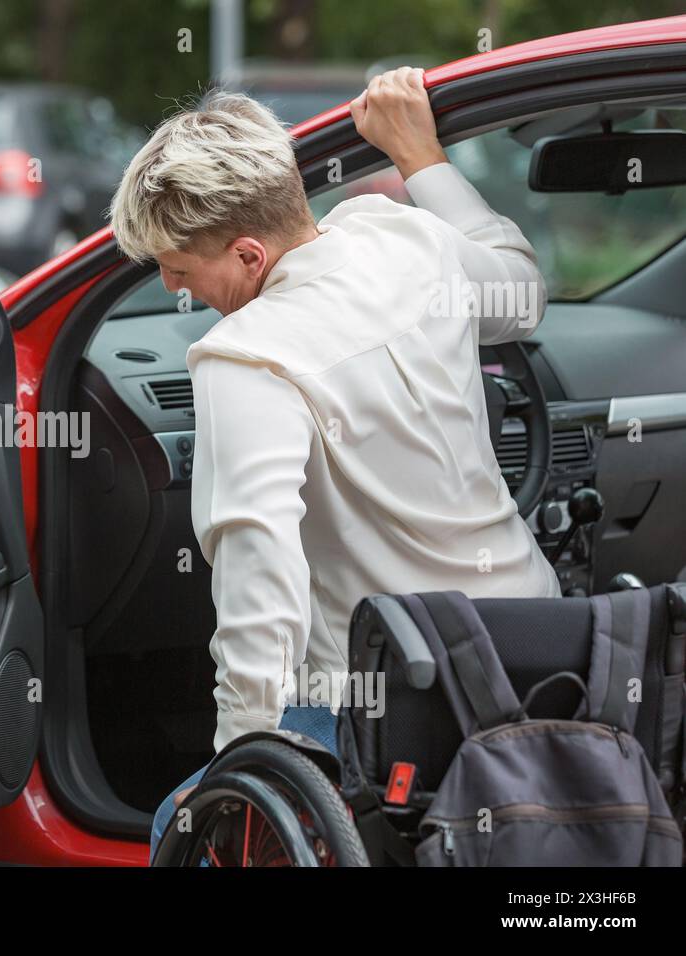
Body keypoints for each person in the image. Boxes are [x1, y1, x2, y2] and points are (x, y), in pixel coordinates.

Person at [107, 67, 563, 863]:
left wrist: (239, 779)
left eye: (178, 266)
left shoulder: (246, 357)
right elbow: (522, 292)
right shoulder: (405, 237)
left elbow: (261, 590)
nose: (173, 286)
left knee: (175, 825)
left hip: (401, 703)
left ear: (249, 254)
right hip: (538, 648)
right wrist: (425, 159)